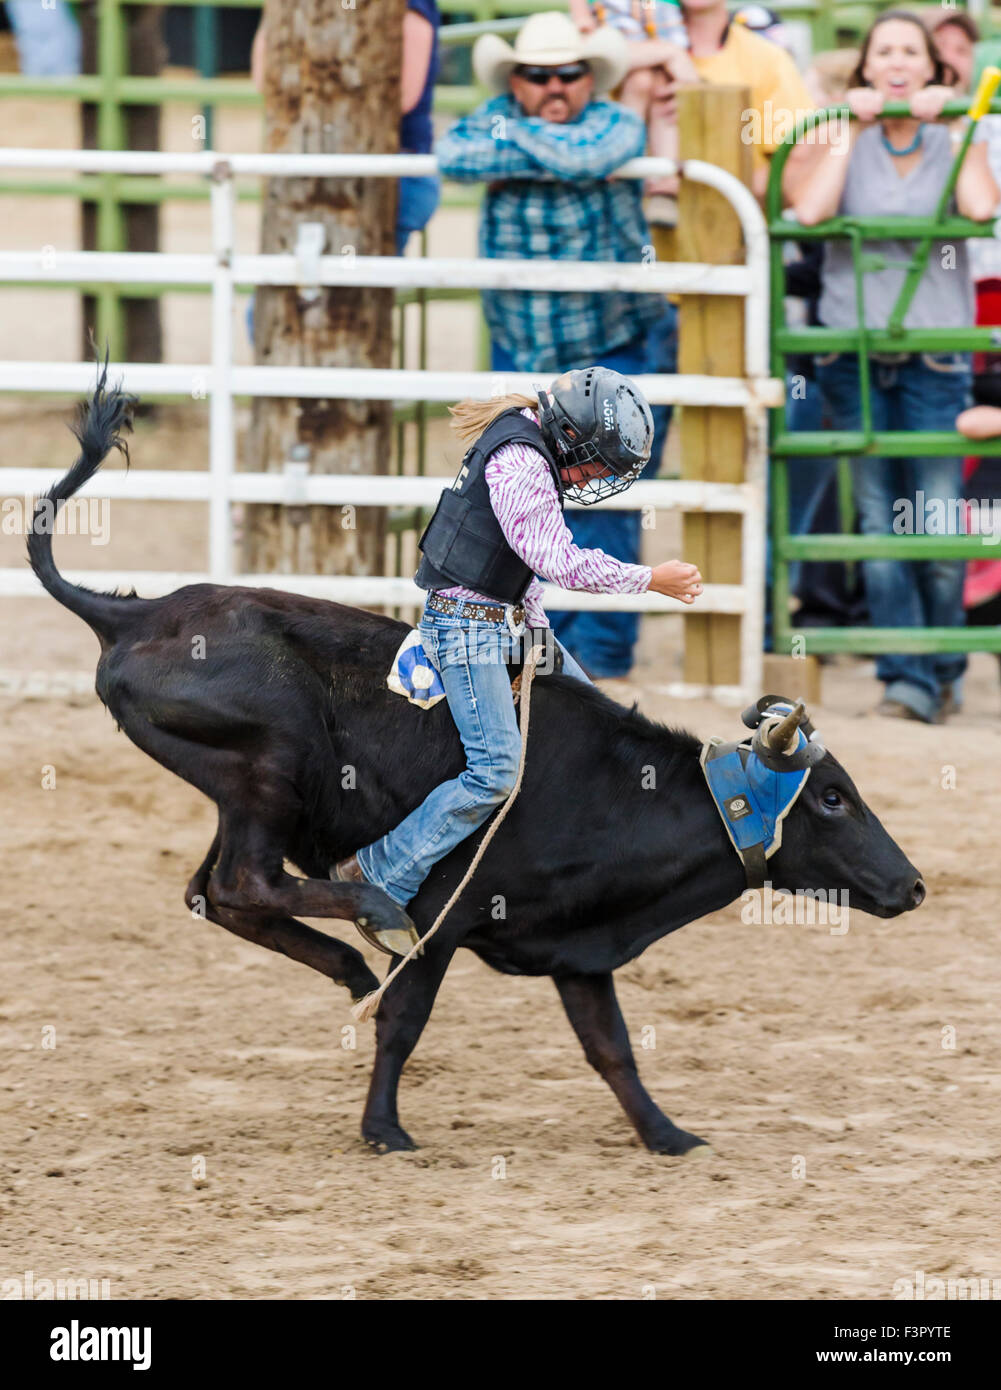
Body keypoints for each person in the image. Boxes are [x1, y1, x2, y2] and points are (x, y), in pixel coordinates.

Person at [331, 369, 703, 948]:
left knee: (596, 724)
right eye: (597, 464)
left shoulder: (527, 443)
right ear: (572, 439)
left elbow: (520, 570)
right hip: (468, 630)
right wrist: (649, 579)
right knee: (494, 771)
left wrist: (536, 638)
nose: (595, 479)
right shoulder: (522, 463)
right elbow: (557, 560)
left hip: (507, 624)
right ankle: (376, 877)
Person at [436, 10, 677, 680]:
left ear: (587, 75)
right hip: (525, 352)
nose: (553, 86)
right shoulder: (525, 118)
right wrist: (546, 144)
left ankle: (597, 654)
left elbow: (592, 155)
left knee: (605, 496)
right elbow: (454, 155)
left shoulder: (610, 121)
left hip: (614, 344)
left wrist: (515, 135)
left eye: (567, 74)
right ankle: (549, 647)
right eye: (536, 75)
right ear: (513, 78)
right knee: (524, 498)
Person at [790, 10, 999, 723]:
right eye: (884, 51)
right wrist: (850, 128)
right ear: (866, 69)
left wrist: (951, 127)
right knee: (879, 526)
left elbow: (978, 204)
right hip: (854, 351)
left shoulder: (953, 134)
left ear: (934, 68)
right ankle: (902, 677)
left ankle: (941, 664)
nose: (899, 61)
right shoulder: (840, 134)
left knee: (937, 527)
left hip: (936, 355)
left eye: (912, 51)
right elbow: (811, 213)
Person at [250, 0, 440, 255]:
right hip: (317, 164)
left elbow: (402, 95)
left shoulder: (410, 6)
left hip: (387, 169)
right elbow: (268, 77)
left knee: (349, 277)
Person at [569, 0, 690, 224]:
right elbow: (592, 45)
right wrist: (581, 16)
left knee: (659, 89)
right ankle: (621, 162)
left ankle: (663, 184)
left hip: (655, 25)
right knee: (641, 82)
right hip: (619, 37)